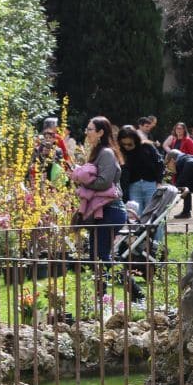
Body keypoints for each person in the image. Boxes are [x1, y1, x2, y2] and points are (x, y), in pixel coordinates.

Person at [78, 117, 126, 279]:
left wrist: (83, 183)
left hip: (112, 210)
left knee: (101, 256)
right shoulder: (97, 152)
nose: (87, 132)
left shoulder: (106, 153)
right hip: (101, 210)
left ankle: (135, 292)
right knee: (95, 256)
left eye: (90, 129)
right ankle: (102, 298)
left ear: (100, 133)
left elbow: (104, 182)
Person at [117, 125, 164, 218]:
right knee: (136, 216)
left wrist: (159, 182)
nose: (127, 147)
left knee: (153, 215)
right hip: (133, 186)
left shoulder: (147, 147)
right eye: (124, 144)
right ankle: (139, 233)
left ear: (136, 140)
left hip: (151, 184)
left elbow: (160, 163)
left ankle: (156, 233)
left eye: (130, 144)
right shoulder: (121, 153)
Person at [164, 123, 193, 217]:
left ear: (184, 130)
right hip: (178, 169)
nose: (178, 130)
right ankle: (186, 211)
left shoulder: (189, 141)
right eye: (177, 128)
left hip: (187, 168)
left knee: (188, 189)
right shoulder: (175, 140)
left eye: (180, 128)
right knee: (185, 189)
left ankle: (187, 211)